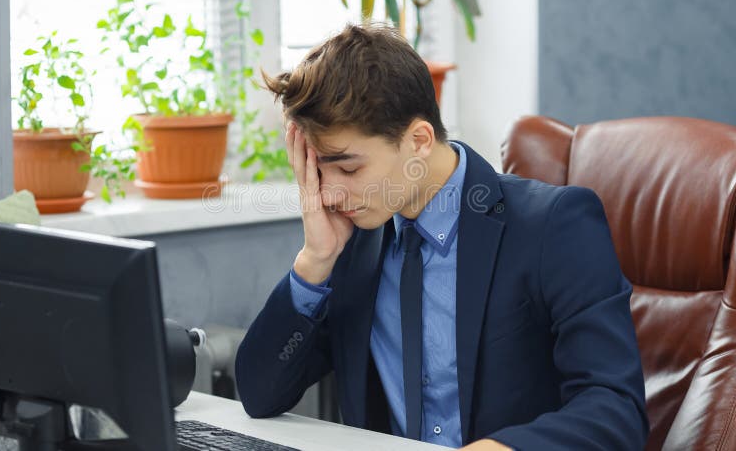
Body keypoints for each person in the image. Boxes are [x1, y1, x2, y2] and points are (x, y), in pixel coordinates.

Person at [235, 24, 648, 450]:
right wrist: (315, 259)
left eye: (349, 168)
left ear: (418, 140)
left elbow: (616, 410)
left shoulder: (554, 227)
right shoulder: (353, 241)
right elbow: (260, 394)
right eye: (319, 171)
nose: (331, 193)